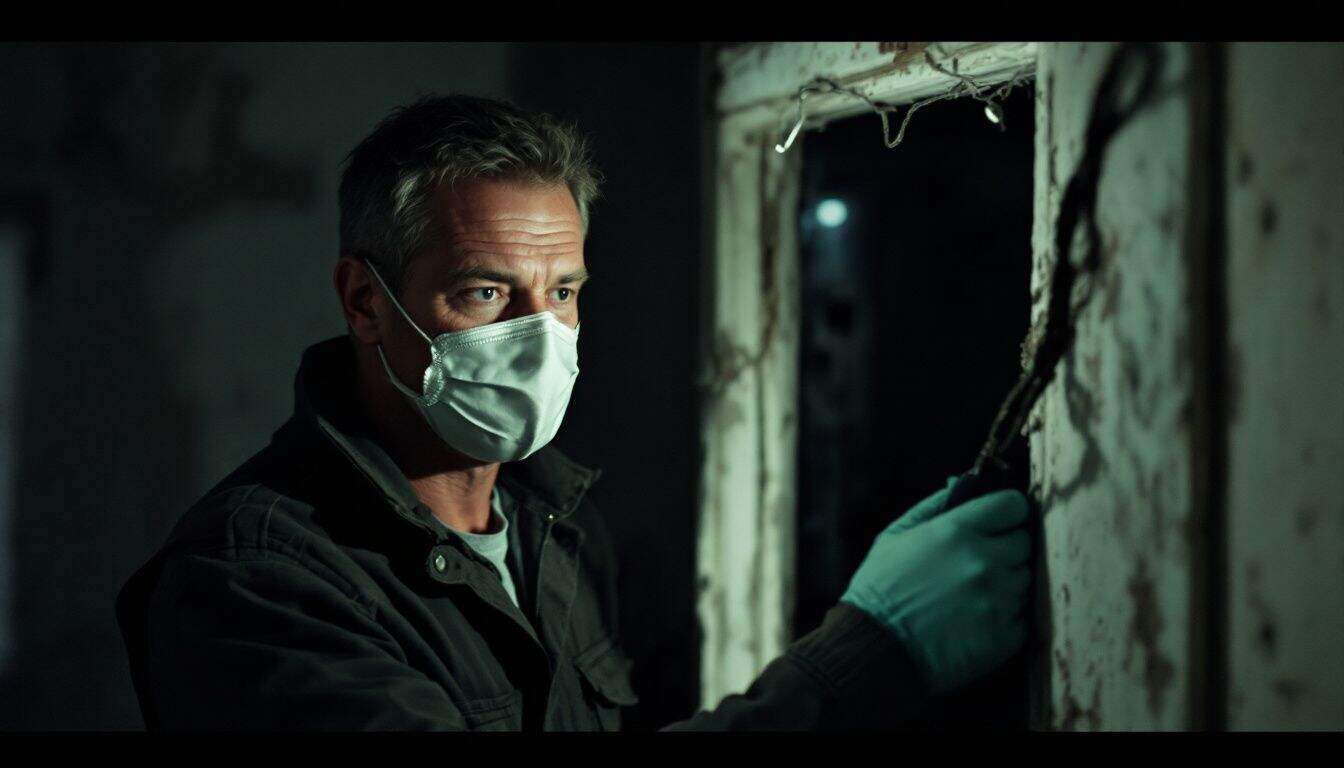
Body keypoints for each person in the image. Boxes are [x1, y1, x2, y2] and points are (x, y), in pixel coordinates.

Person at [115, 94, 1034, 731]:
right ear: (364, 302)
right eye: (484, 293)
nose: (540, 336)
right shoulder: (250, 582)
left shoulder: (553, 526)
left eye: (562, 291)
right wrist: (863, 656)